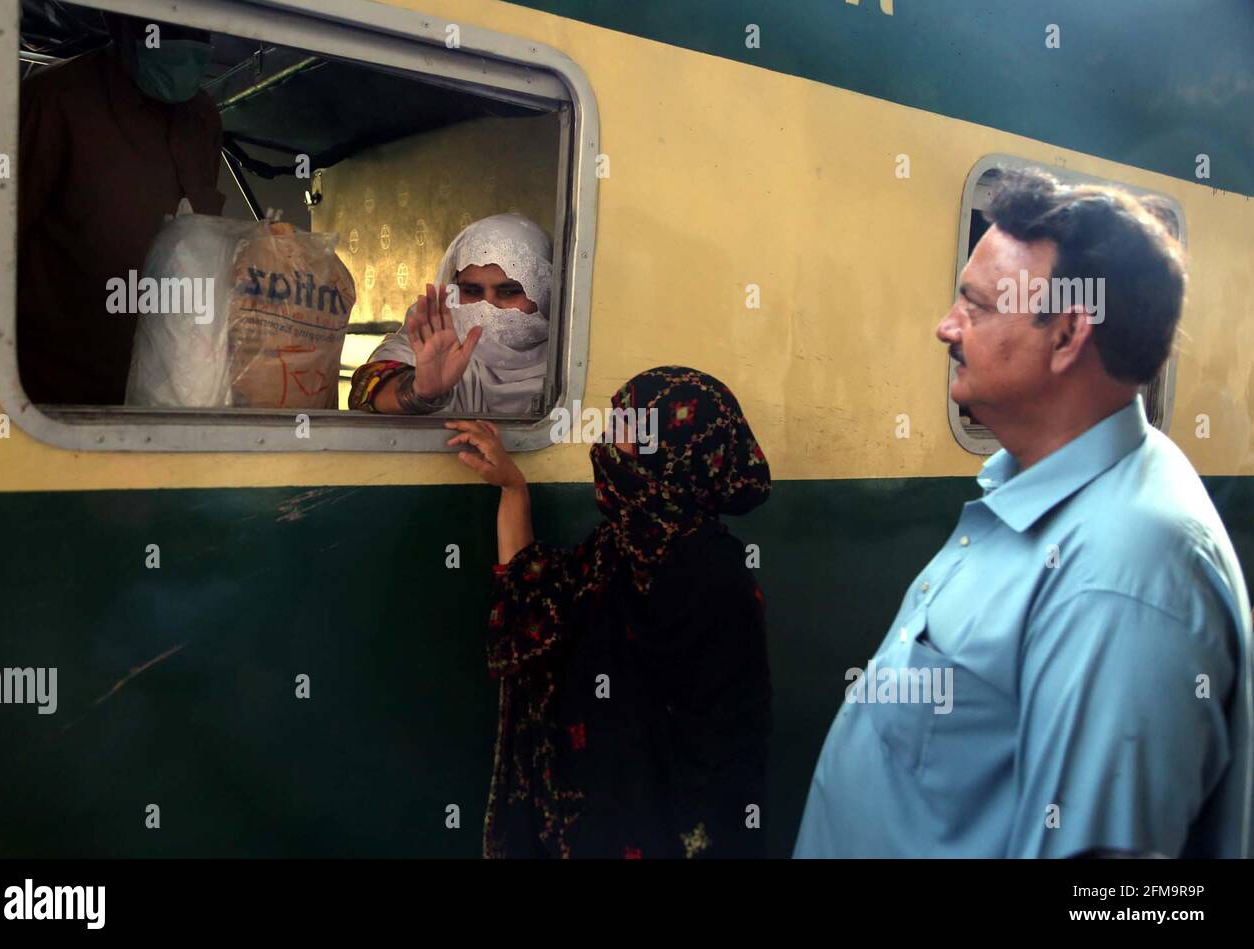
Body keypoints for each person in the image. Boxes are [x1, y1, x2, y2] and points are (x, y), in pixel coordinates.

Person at [793, 169, 1253, 858]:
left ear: (1067, 334)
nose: (945, 325)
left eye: (976, 307)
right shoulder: (1037, 487)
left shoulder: (1123, 577)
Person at [445, 367, 773, 857]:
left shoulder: (719, 580)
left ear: (676, 453)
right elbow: (535, 596)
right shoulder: (618, 546)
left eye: (625, 433)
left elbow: (723, 756)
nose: (605, 445)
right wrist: (514, 489)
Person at [17, 14, 224, 405]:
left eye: (198, 30)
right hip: (58, 399)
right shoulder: (54, 99)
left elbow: (198, 242)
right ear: (118, 24)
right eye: (167, 27)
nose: (185, 41)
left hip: (170, 392)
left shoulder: (203, 119)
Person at [348, 213, 552, 416]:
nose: (488, 306)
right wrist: (420, 391)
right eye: (472, 291)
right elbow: (368, 389)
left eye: (509, 292)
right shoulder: (438, 335)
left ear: (546, 293)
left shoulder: (574, 358)